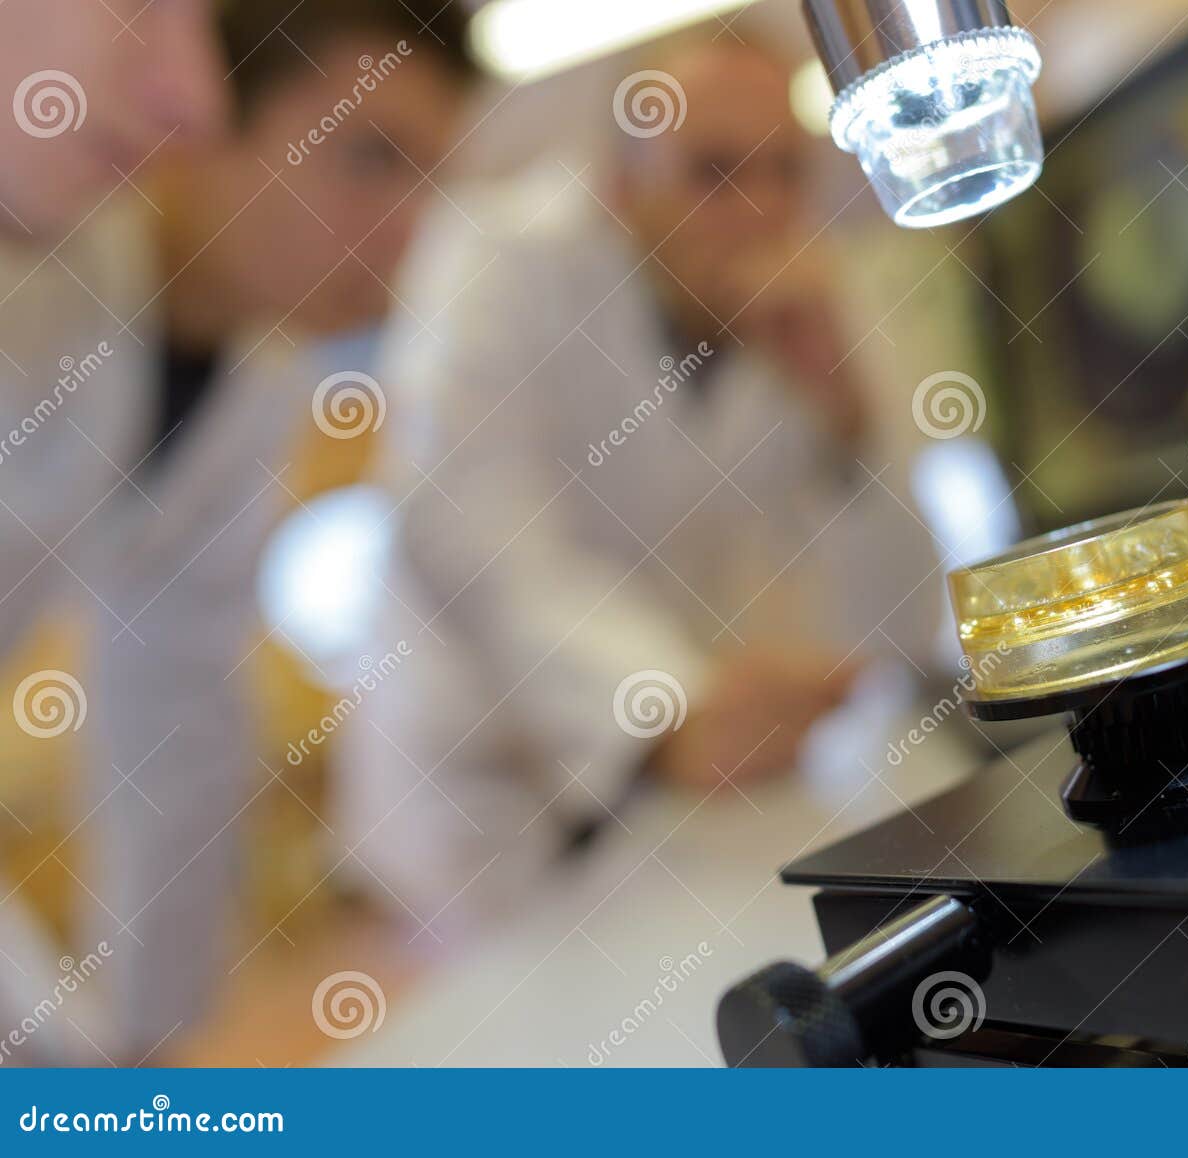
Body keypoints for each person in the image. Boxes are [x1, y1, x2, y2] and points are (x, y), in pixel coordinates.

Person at [339, 35, 948, 936]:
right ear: (620, 186)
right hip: (479, 789)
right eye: (714, 171)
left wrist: (849, 415)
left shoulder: (809, 313)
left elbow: (905, 622)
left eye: (786, 172)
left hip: (682, 791)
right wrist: (663, 706)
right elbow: (471, 527)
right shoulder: (496, 255)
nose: (762, 210)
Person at [0, 0, 477, 1061]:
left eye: (430, 180)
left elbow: (176, 717)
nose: (410, 227)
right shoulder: (36, 279)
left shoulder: (255, 375)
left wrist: (148, 1052)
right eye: (369, 157)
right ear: (209, 125)